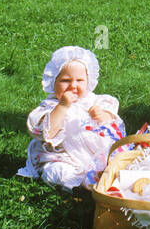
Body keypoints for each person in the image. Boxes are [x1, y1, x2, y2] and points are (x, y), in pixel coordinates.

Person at [17, 46, 125, 189]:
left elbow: (111, 117)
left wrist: (103, 114)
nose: (73, 85)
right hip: (63, 157)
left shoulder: (93, 100)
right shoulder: (50, 106)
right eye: (65, 80)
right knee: (58, 172)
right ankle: (84, 183)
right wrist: (63, 106)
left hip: (92, 152)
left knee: (116, 160)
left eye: (80, 80)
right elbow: (45, 132)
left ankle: (101, 174)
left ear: (88, 81)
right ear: (53, 82)